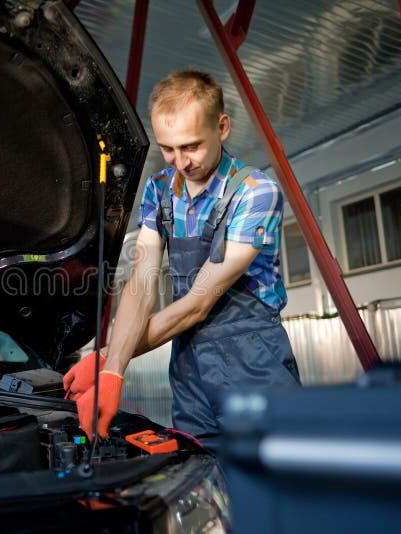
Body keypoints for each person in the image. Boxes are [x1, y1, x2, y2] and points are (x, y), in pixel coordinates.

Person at [63, 69, 301, 442]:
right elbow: (141, 282)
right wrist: (107, 359)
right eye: (167, 148)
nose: (180, 161)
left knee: (267, 470)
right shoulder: (158, 190)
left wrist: (112, 362)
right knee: (196, 467)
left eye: (191, 146)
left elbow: (197, 304)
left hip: (254, 364)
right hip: (189, 367)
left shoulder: (255, 192)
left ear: (222, 127)